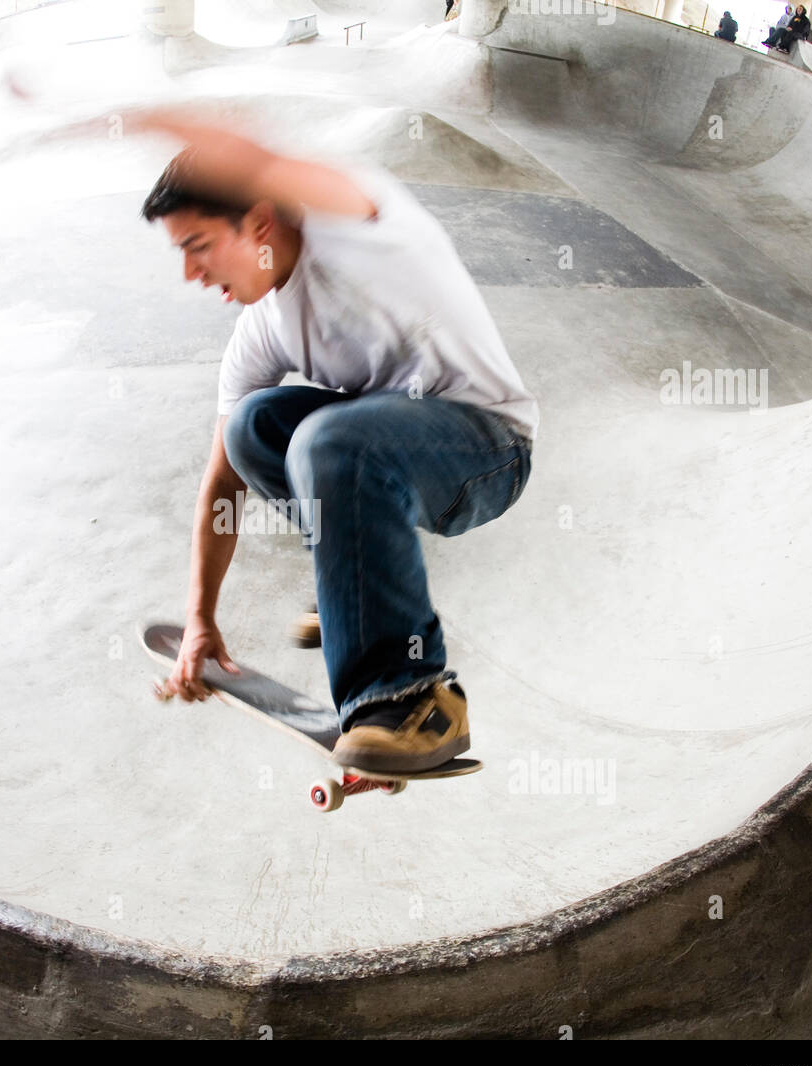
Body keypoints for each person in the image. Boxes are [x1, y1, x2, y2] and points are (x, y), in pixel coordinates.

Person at [136, 111, 536, 772]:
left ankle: (413, 700)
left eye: (199, 245)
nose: (190, 273)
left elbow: (262, 163)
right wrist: (200, 617)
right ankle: (354, 580)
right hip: (392, 454)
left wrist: (143, 115)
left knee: (330, 442)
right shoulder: (262, 329)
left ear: (260, 223)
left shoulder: (356, 225)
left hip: (489, 451)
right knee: (251, 429)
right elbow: (223, 484)